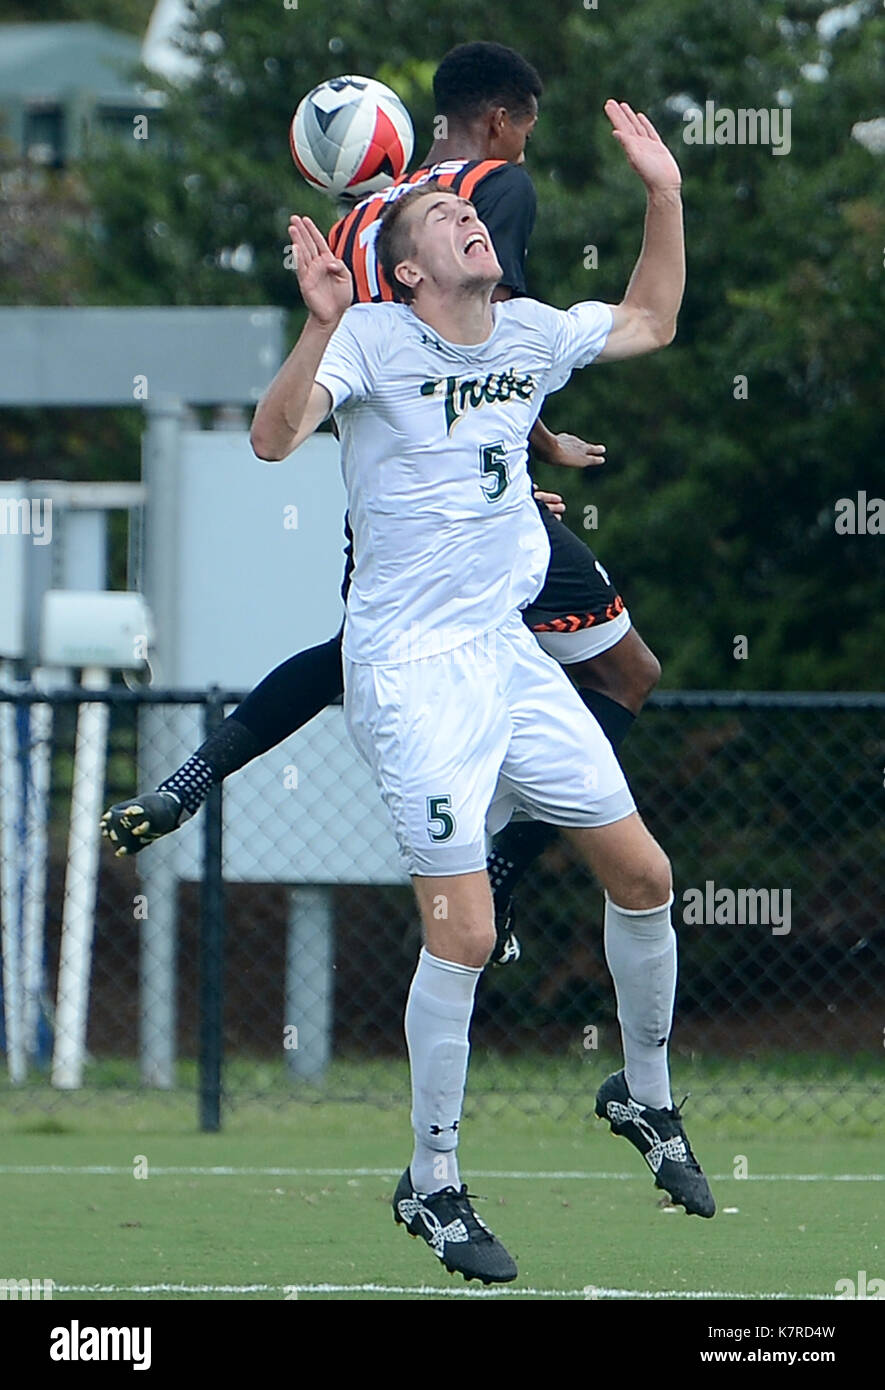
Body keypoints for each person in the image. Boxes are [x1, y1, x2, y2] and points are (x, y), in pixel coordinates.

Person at [246, 99, 713, 1285]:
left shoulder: (528, 332)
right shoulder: (374, 342)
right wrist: (318, 326)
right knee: (466, 933)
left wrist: (663, 191)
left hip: (507, 658)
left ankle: (644, 1097)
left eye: (470, 207)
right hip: (411, 676)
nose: (473, 215)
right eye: (449, 212)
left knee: (648, 875)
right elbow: (272, 438)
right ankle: (435, 1182)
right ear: (406, 268)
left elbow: (655, 319)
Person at [101, 44, 660, 965]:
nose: (523, 148)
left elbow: (406, 363)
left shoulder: (366, 221)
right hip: (480, 491)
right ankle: (509, 860)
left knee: (363, 643)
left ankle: (197, 773)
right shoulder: (485, 194)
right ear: (501, 124)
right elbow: (484, 351)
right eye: (526, 128)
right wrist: (526, 454)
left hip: (396, 486)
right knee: (627, 673)